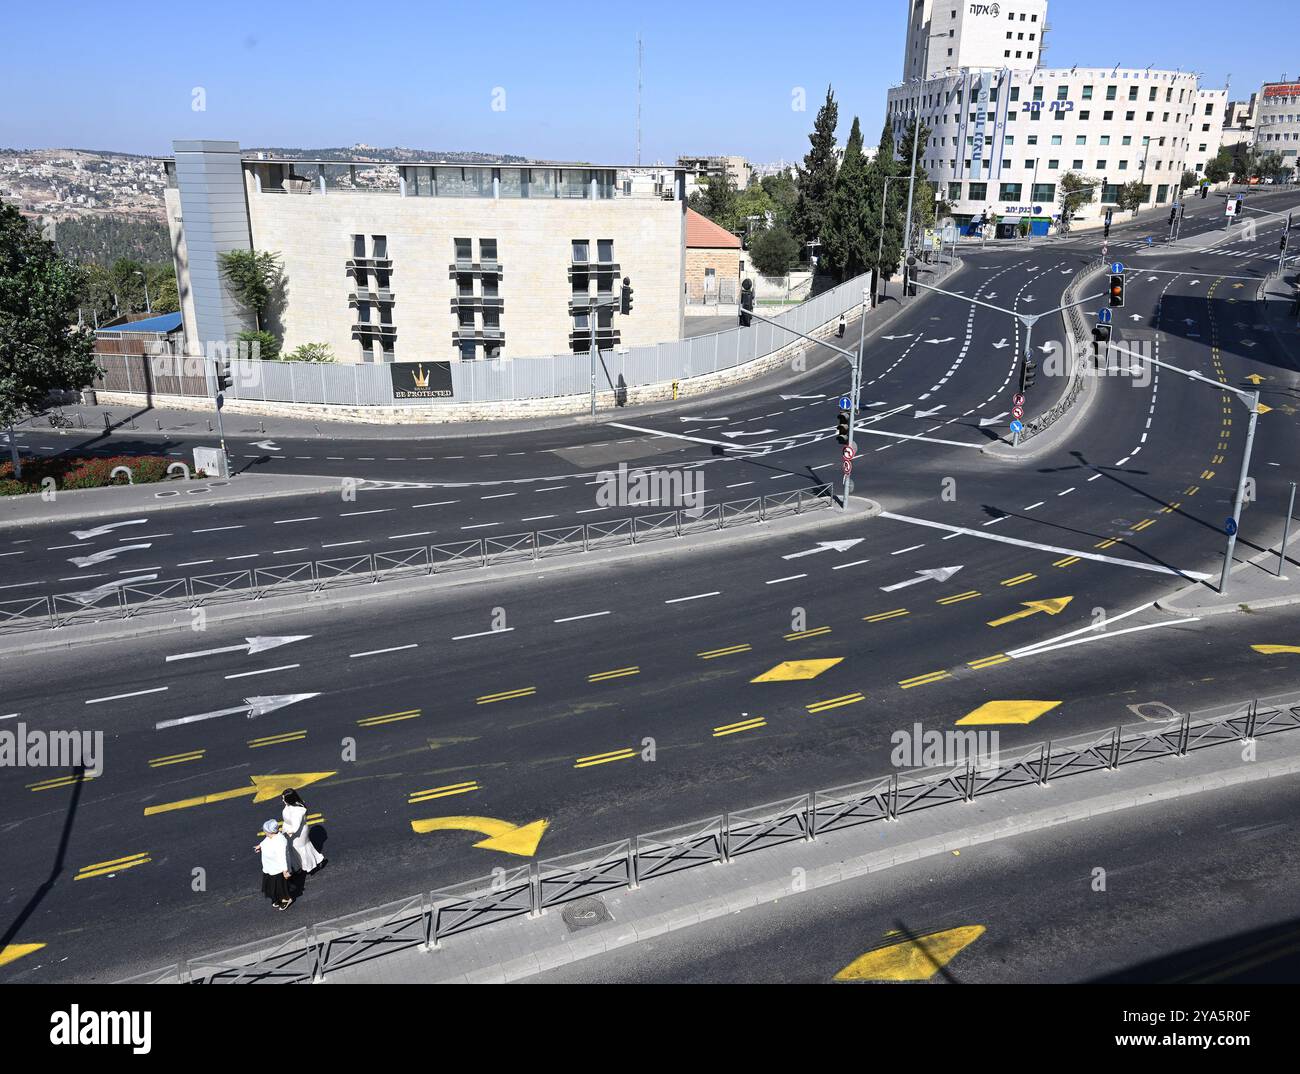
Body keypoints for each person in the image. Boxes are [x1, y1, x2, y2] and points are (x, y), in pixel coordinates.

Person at [280, 789, 326, 875]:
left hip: (298, 833)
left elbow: (295, 827)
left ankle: (309, 865)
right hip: (290, 830)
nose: (282, 800)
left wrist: (288, 832)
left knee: (300, 849)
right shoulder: (294, 804)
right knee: (296, 848)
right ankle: (304, 864)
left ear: (290, 800)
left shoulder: (297, 812)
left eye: (284, 799)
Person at [255, 820, 293, 910]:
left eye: (265, 831)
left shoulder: (280, 841)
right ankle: (279, 897)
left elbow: (282, 857)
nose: (264, 832)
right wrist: (260, 846)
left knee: (280, 886)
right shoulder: (270, 837)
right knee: (273, 885)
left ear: (270, 832)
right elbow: (265, 841)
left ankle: (286, 899)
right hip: (269, 867)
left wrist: (285, 871)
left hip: (278, 869)